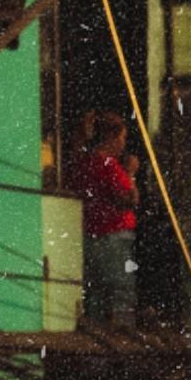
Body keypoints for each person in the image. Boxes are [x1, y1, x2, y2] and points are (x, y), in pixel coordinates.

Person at [71, 113, 138, 327]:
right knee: (121, 288)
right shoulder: (109, 165)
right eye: (122, 138)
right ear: (111, 137)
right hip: (113, 234)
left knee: (95, 291)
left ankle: (96, 330)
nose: (123, 144)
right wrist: (130, 174)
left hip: (91, 233)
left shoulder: (86, 161)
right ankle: (123, 331)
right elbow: (129, 199)